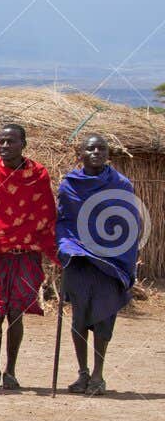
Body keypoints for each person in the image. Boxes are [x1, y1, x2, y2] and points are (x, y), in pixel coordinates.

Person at [0, 124, 56, 390]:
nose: (5, 146)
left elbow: (47, 212)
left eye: (11, 141)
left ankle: (11, 371)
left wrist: (51, 245)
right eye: (2, 141)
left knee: (16, 313)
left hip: (26, 254)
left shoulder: (38, 174)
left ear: (23, 144)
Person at [56, 135, 140, 396]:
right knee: (79, 318)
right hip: (79, 259)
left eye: (101, 148)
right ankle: (82, 373)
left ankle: (98, 375)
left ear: (108, 154)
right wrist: (66, 247)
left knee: (104, 317)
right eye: (90, 148)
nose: (96, 152)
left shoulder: (121, 185)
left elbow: (128, 224)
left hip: (109, 261)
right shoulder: (70, 184)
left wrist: (116, 253)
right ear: (80, 153)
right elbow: (63, 221)